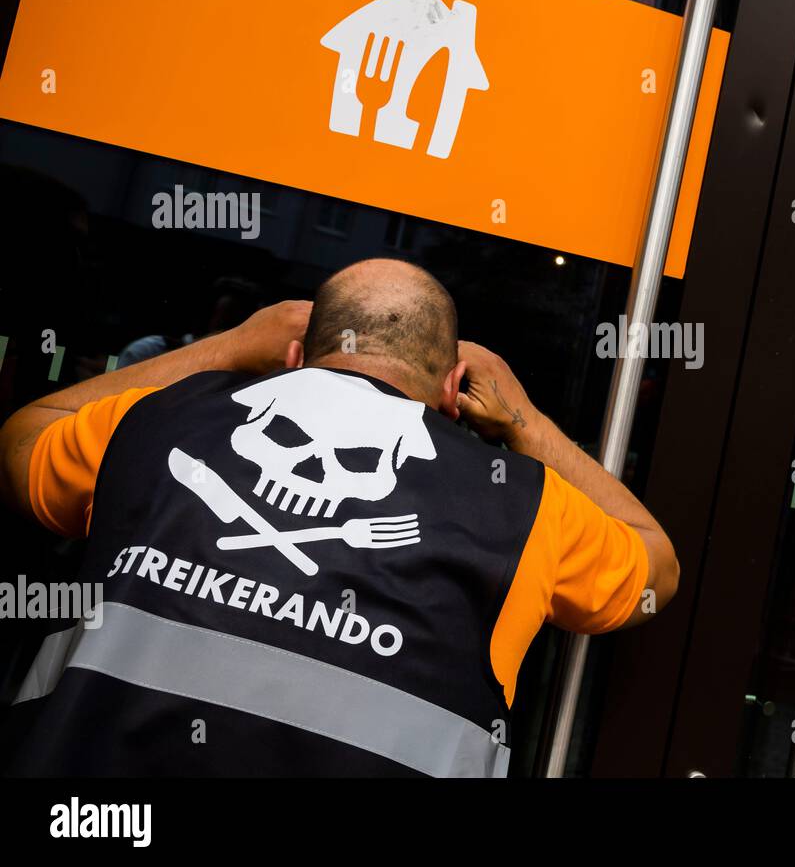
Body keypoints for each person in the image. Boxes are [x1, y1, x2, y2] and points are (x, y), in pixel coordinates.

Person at [0, 258, 677, 776]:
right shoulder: (528, 508)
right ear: (452, 391)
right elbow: (656, 564)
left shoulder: (151, 421)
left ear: (292, 355)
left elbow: (25, 438)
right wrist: (523, 419)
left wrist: (231, 346)